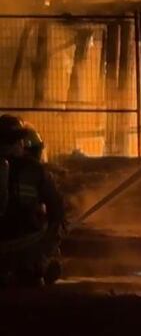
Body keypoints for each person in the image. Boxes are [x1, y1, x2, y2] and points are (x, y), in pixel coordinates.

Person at [0, 115, 66, 286]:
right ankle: (36, 267)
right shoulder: (34, 171)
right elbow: (57, 211)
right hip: (25, 245)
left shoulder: (34, 171)